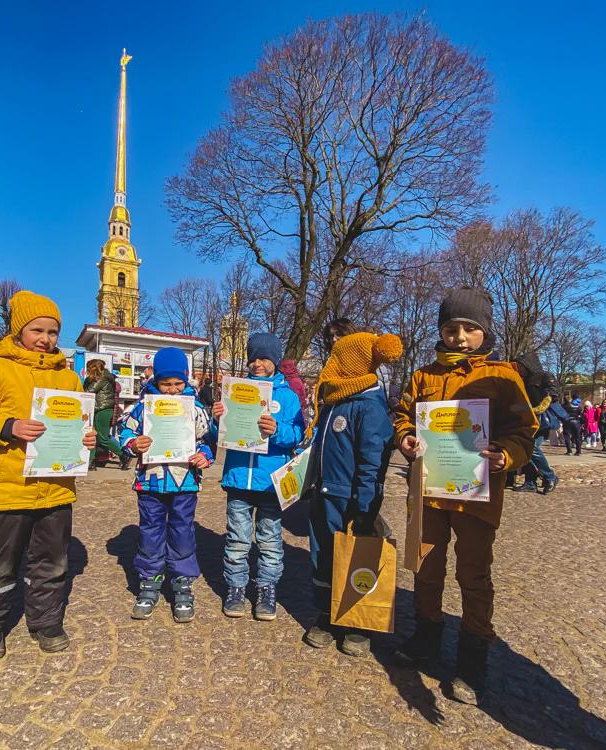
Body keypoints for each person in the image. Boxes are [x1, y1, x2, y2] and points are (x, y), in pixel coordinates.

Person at [391, 287, 536, 704]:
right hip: (428, 492)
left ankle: (473, 658)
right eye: (451, 328)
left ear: (484, 333)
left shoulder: (503, 376)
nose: (458, 337)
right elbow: (403, 415)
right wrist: (406, 439)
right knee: (425, 567)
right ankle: (426, 636)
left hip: (477, 495)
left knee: (473, 574)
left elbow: (522, 431)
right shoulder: (423, 375)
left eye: (469, 329)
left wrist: (505, 456)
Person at [0, 291, 97, 661]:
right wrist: (8, 426)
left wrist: (87, 438)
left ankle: (46, 622)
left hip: (56, 488)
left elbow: (79, 423)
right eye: (38, 330)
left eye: (52, 331)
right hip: (7, 487)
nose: (46, 339)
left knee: (51, 561)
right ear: (19, 331)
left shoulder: (68, 377)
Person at [302, 330, 403, 657]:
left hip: (350, 499)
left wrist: (365, 508)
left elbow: (373, 462)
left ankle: (358, 623)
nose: (332, 364)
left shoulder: (368, 407)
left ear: (353, 364)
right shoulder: (336, 399)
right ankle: (328, 615)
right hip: (325, 494)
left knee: (357, 559)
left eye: (338, 359)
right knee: (325, 557)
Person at [210, 333, 304, 621]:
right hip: (238, 478)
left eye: (264, 358)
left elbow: (298, 435)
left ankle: (266, 588)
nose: (257, 364)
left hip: (271, 482)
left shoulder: (287, 396)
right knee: (237, 539)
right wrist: (218, 422)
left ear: (275, 361)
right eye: (252, 359)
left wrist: (277, 430)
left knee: (270, 539)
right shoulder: (235, 392)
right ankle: (236, 588)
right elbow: (219, 438)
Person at [120, 348, 214, 623]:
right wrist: (132, 444)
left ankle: (182, 581)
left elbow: (207, 439)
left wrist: (204, 456)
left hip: (184, 482)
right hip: (150, 482)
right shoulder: (143, 407)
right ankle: (149, 581)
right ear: (156, 382)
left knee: (182, 531)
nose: (172, 390)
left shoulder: (196, 409)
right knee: (150, 530)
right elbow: (125, 430)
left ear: (186, 381)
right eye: (166, 384)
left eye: (178, 383)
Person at [513, 352, 561, 494]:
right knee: (526, 450)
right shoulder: (521, 380)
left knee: (531, 448)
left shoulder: (545, 375)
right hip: (528, 418)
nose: (518, 368)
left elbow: (552, 392)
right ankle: (530, 482)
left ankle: (550, 476)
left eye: (520, 365)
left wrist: (543, 404)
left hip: (542, 419)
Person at [82, 358, 124, 469]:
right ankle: (91, 462)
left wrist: (86, 381)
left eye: (88, 369)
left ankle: (124, 455)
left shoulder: (102, 378)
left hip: (103, 409)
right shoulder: (98, 378)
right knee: (92, 435)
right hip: (96, 408)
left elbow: (88, 391)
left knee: (102, 438)